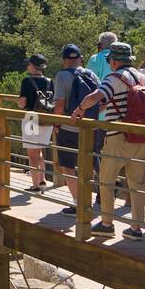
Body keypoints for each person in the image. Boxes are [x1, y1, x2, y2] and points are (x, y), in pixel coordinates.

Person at [72, 42, 145, 239]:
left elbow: (97, 95)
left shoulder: (115, 77)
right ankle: (136, 228)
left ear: (114, 61)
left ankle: (107, 223)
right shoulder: (143, 78)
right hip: (141, 137)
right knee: (137, 183)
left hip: (118, 137)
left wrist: (80, 108)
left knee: (107, 180)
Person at [52, 44, 98, 214]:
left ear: (64, 61)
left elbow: (59, 105)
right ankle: (88, 201)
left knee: (67, 166)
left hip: (68, 128)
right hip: (89, 128)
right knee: (87, 165)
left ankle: (79, 203)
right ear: (80, 59)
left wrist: (56, 124)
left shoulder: (62, 76)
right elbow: (101, 101)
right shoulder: (90, 74)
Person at [17, 53, 53, 190]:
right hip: (46, 119)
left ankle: (36, 184)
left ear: (32, 66)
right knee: (39, 150)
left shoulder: (27, 81)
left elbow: (22, 103)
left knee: (32, 154)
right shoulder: (50, 81)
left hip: (31, 119)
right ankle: (42, 180)